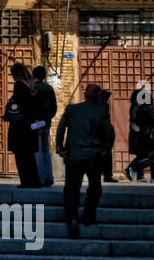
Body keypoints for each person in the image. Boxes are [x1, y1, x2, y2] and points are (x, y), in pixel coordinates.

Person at [56, 84, 109, 238]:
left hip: (73, 156)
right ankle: (88, 216)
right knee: (94, 188)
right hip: (93, 155)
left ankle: (71, 217)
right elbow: (108, 132)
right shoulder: (102, 110)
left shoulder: (71, 109)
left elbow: (61, 128)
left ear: (85, 95)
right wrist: (105, 149)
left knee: (72, 189)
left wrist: (60, 147)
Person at [2, 63, 42, 188]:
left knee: (21, 155)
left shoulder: (19, 85)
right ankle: (34, 181)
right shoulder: (32, 85)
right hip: (32, 125)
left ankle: (26, 181)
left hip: (21, 126)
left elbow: (18, 104)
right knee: (29, 155)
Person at [127, 90, 154, 183]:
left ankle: (152, 177)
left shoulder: (136, 108)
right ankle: (134, 168)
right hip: (150, 136)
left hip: (142, 136)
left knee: (147, 155)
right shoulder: (148, 109)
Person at [31, 66, 58, 186]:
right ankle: (49, 177)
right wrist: (46, 119)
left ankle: (40, 178)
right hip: (46, 123)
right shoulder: (49, 88)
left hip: (35, 123)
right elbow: (54, 109)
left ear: (33, 75)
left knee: (37, 150)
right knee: (46, 150)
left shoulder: (32, 88)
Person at [97, 88, 116, 183]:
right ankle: (107, 175)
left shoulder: (100, 105)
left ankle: (105, 174)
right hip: (105, 133)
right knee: (107, 154)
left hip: (103, 132)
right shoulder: (103, 106)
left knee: (104, 154)